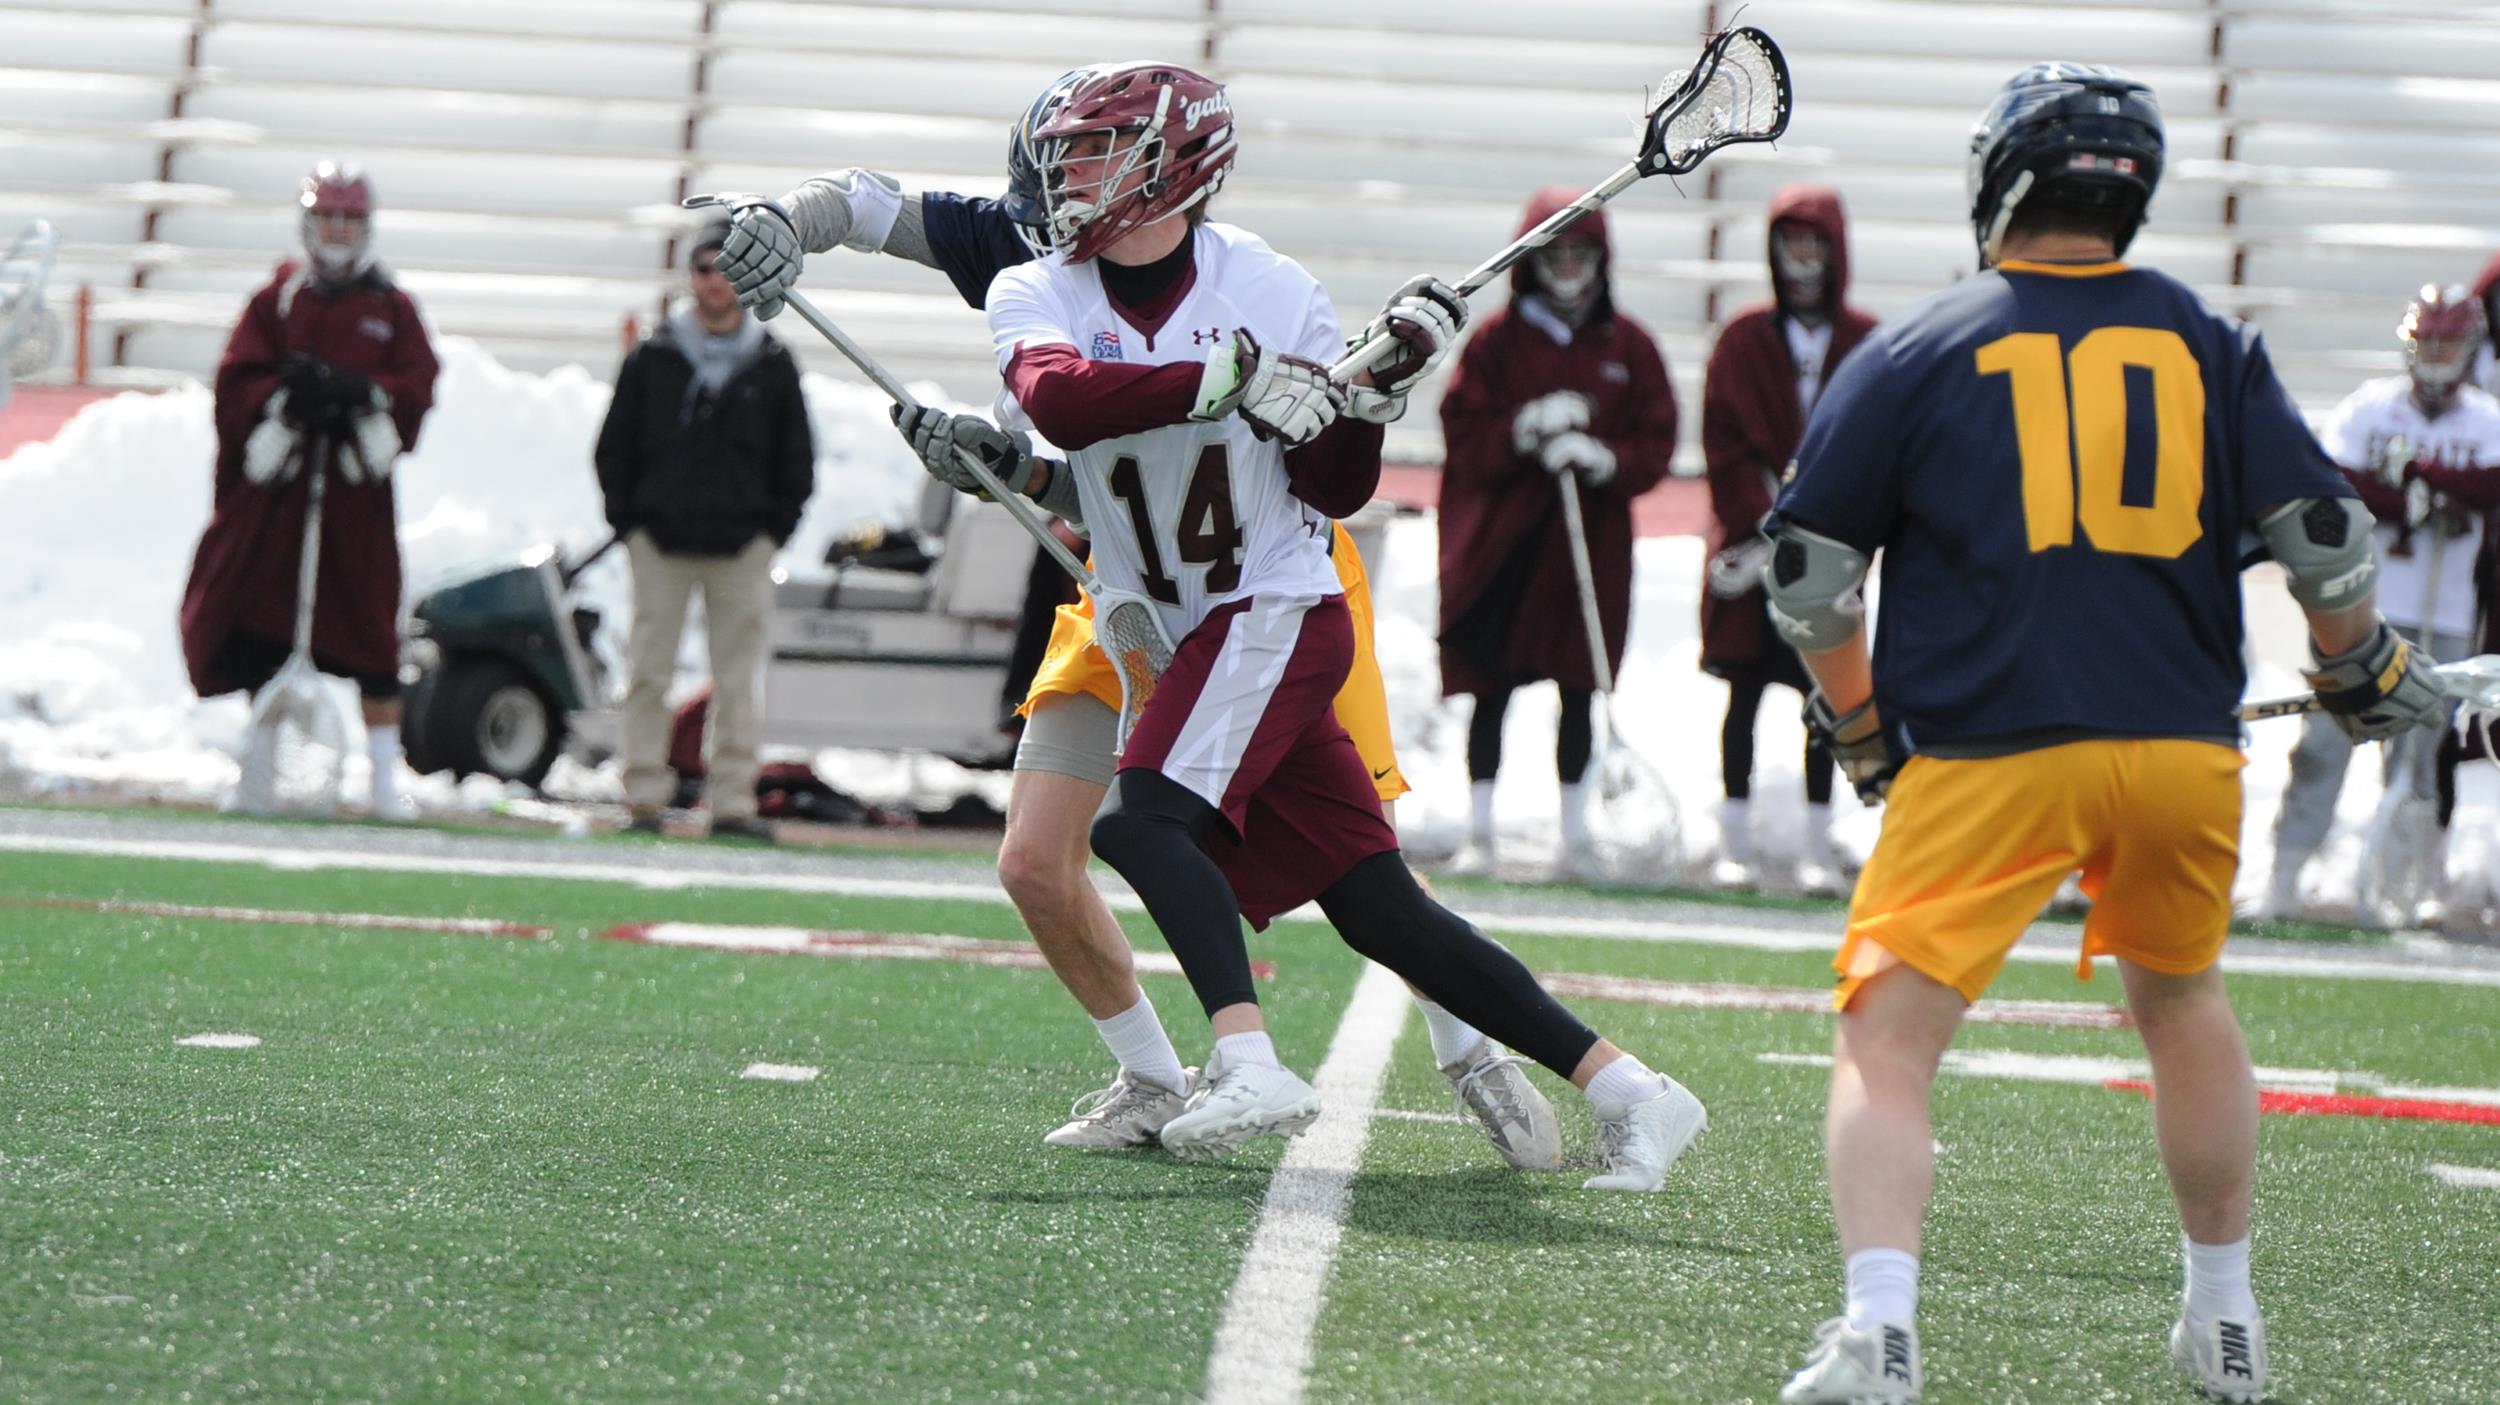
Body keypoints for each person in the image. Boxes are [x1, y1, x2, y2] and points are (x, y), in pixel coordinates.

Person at [704, 68, 1567, 1169]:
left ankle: (1468, 1047)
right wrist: (784, 221)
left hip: (1267, 576)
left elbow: (1285, 443)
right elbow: (871, 207)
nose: (1071, 205)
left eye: (1092, 169)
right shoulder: (1029, 247)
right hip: (1120, 587)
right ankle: (1154, 1075)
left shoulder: (1233, 272)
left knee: (1359, 848)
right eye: (1058, 177)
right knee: (1031, 859)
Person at [1762, 64, 2448, 1403]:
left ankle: (1882, 1331)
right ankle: (2226, 1321)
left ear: (2003, 179)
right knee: (2183, 1004)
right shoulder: (2205, 335)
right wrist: (2358, 663)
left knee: (1888, 1040)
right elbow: (2322, 537)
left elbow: (1806, 574)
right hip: (2183, 752)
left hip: (1990, 750)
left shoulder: (1919, 345)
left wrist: (1857, 727)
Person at [954, 61, 1701, 1178]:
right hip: (1183, 622)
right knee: (1379, 908)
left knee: (1139, 823)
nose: (1069, 173)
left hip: (1267, 606)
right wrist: (1223, 380)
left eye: (1098, 148)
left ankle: (1247, 1060)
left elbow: (1333, 483)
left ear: (1175, 167)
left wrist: (1372, 388)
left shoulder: (1269, 285)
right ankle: (1631, 1088)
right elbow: (1063, 401)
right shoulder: (1039, 287)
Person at [179, 162, 439, 818]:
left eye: (350, 218)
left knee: (369, 627)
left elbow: (415, 386)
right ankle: (260, 771)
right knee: (266, 617)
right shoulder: (279, 300)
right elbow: (237, 381)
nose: (339, 230)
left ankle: (384, 779)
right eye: (329, 216)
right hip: (285, 497)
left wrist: (366, 395)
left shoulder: (391, 307)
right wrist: (283, 400)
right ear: (309, 221)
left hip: (356, 497)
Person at [1434, 187, 1677, 879]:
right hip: (1505, 547)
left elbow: (1655, 442)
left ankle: (1575, 833)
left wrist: (1605, 457)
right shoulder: (1496, 343)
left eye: (1582, 253)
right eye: (1556, 254)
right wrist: (1524, 427)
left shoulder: (1628, 345)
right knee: (1493, 686)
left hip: (1585, 550)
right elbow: (1464, 431)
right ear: (1532, 261)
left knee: (1578, 685)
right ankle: (1480, 828)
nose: (1569, 267)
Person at [2255, 285, 2500, 925]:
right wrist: (2423, 498)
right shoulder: (2370, 407)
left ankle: (2407, 880)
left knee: (2423, 749)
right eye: (2429, 340)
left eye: (2449, 341)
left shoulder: (2485, 419)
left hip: (2444, 607)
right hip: (2363, 606)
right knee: (2329, 738)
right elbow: (2339, 485)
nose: (2438, 354)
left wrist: (2413, 478)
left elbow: (2490, 485)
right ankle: (2291, 865)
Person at [594, 219, 815, 841]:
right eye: (703, 268)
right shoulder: (654, 356)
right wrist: (630, 523)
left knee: (739, 677)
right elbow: (614, 448)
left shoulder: (771, 363)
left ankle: (733, 801)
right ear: (688, 277)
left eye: (726, 268)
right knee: (649, 669)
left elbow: (796, 458)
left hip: (742, 544)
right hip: (660, 542)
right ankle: (642, 795)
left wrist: (773, 529)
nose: (714, 282)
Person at [1697, 185, 1876, 887]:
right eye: (1788, 245)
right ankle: (1733, 836)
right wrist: (1763, 522)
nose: (1801, 261)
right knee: (1743, 690)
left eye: (1813, 245)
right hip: (1752, 542)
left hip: (1831, 550)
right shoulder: (1743, 338)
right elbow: (1724, 441)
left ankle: (1814, 838)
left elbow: (1870, 445)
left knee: (1821, 693)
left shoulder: (1865, 341)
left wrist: (1823, 521)